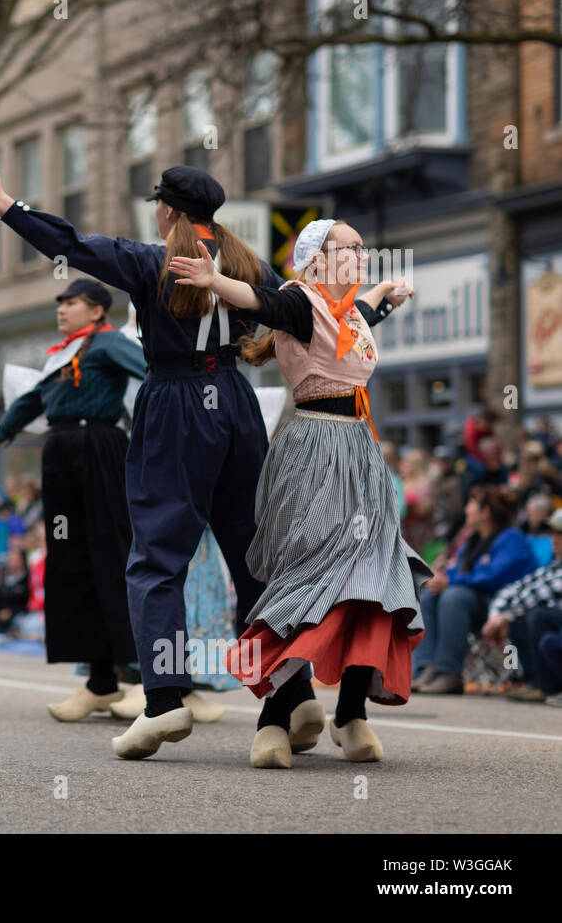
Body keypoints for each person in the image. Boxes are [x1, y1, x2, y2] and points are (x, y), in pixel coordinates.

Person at [0, 153, 399, 760]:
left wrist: (4, 202)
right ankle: (292, 691)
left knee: (157, 559)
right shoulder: (249, 265)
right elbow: (303, 317)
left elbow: (71, 244)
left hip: (176, 402)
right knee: (254, 557)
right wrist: (372, 302)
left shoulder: (152, 260)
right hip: (238, 407)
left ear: (167, 209)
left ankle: (165, 700)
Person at [170, 217, 428, 767]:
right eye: (350, 248)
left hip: (361, 453)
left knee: (377, 577)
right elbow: (258, 300)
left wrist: (389, 292)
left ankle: (352, 712)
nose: (362, 255)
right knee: (309, 578)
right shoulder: (299, 302)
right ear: (317, 259)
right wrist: (214, 281)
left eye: (363, 248)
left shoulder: (351, 311)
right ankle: (274, 718)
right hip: (313, 451)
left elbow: (368, 309)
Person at [0, 277, 153, 721]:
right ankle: (99, 680)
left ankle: (138, 676)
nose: (62, 310)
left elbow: (151, 373)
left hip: (98, 446)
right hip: (61, 451)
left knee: (112, 555)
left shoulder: (108, 343)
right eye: (60, 303)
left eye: (72, 302)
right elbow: (35, 399)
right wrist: (2, 432)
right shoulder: (65, 352)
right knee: (70, 559)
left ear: (97, 310)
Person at [412, 485, 537, 695]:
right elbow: (456, 572)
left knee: (454, 596)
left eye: (471, 505)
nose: (466, 510)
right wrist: (441, 580)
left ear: (485, 512)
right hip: (473, 604)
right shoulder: (473, 540)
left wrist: (450, 582)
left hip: (502, 607)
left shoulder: (512, 539)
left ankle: (449, 672)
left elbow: (494, 576)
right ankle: (426, 668)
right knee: (429, 597)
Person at [482, 508, 562, 703]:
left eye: (561, 535)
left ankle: (547, 686)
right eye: (553, 534)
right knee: (522, 617)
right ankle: (534, 682)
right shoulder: (553, 566)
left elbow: (539, 593)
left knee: (536, 614)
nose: (555, 540)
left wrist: (505, 615)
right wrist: (496, 615)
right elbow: (513, 589)